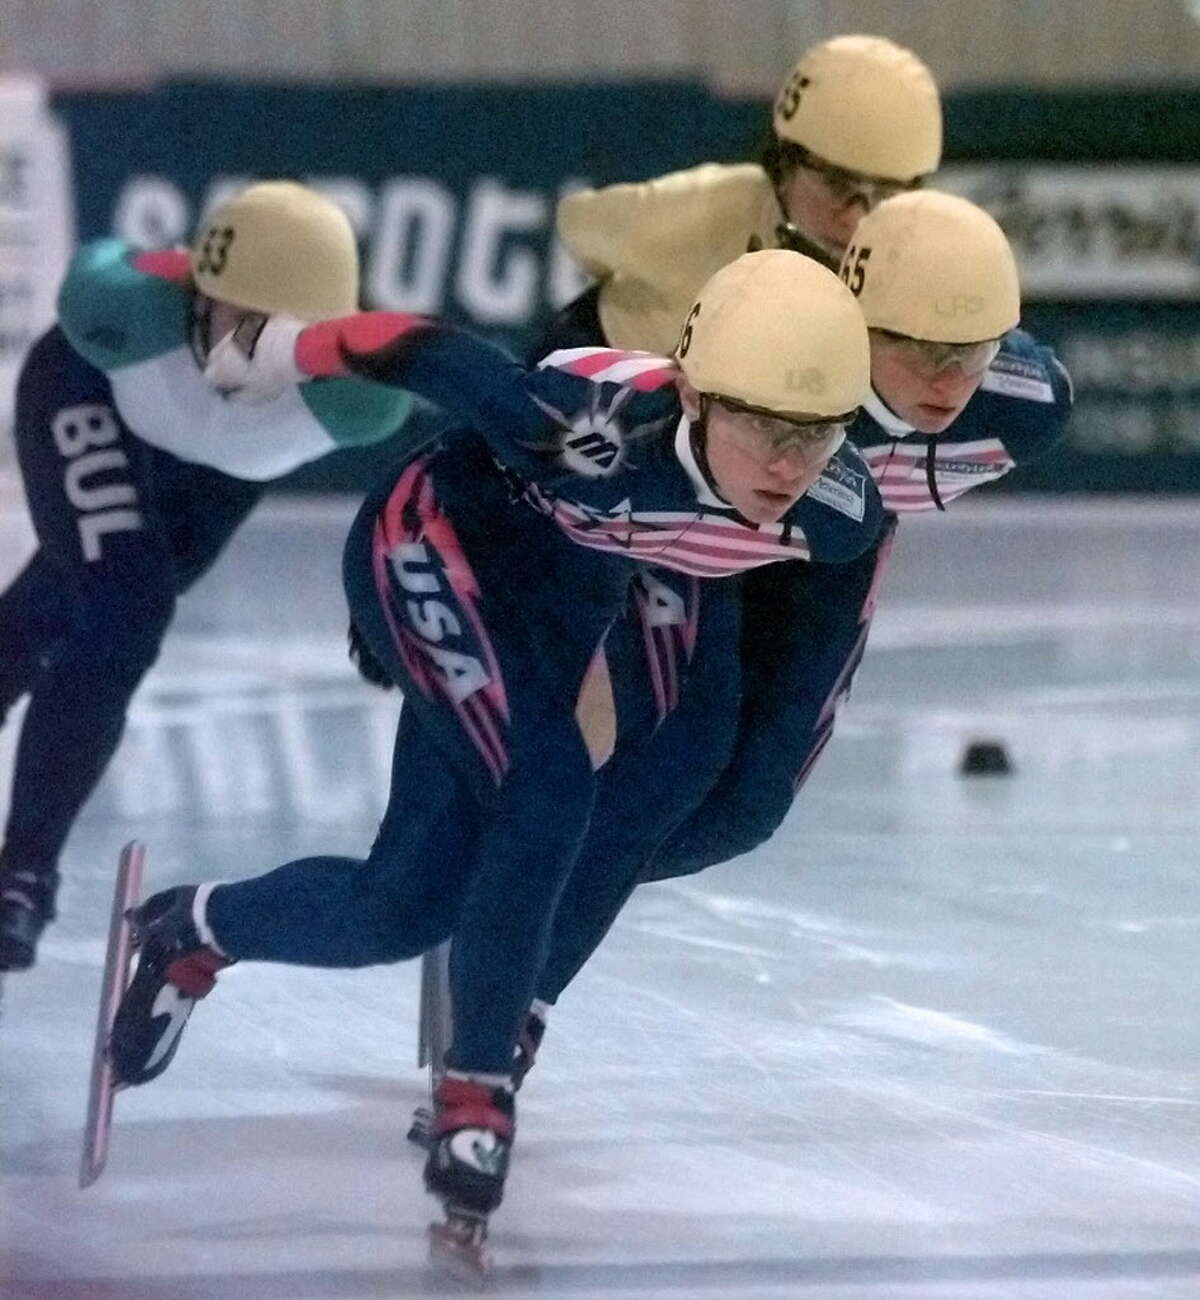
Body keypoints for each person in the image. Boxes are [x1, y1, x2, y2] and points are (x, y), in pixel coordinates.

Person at [105, 248, 883, 1232]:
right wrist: (277, 345)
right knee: (551, 787)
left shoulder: (836, 509)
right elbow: (418, 349)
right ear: (690, 393)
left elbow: (682, 574)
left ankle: (191, 928)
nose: (786, 464)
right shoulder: (589, 427)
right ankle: (478, 1091)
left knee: (400, 908)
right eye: (764, 428)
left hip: (552, 604)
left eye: (815, 435)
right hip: (427, 544)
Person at [515, 190, 1074, 1078]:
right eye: (919, 352)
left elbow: (885, 483)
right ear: (854, 325)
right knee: (676, 759)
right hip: (714, 515)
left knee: (743, 813)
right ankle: (512, 1006)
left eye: (969, 354)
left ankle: (508, 896)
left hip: (834, 539)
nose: (947, 382)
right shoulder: (781, 351)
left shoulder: (1025, 400)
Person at [0, 181, 413, 973]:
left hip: (215, 471)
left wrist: (382, 593)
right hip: (91, 390)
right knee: (125, 602)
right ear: (192, 293)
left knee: (70, 608)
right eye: (232, 322)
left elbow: (451, 460)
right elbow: (101, 262)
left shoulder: (365, 398)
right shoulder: (117, 307)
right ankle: (26, 875)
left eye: (281, 338)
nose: (245, 356)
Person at [541, 32, 942, 360]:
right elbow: (577, 224)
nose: (855, 219)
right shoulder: (708, 207)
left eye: (885, 195)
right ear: (784, 166)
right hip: (610, 366)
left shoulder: (920, 250)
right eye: (838, 186)